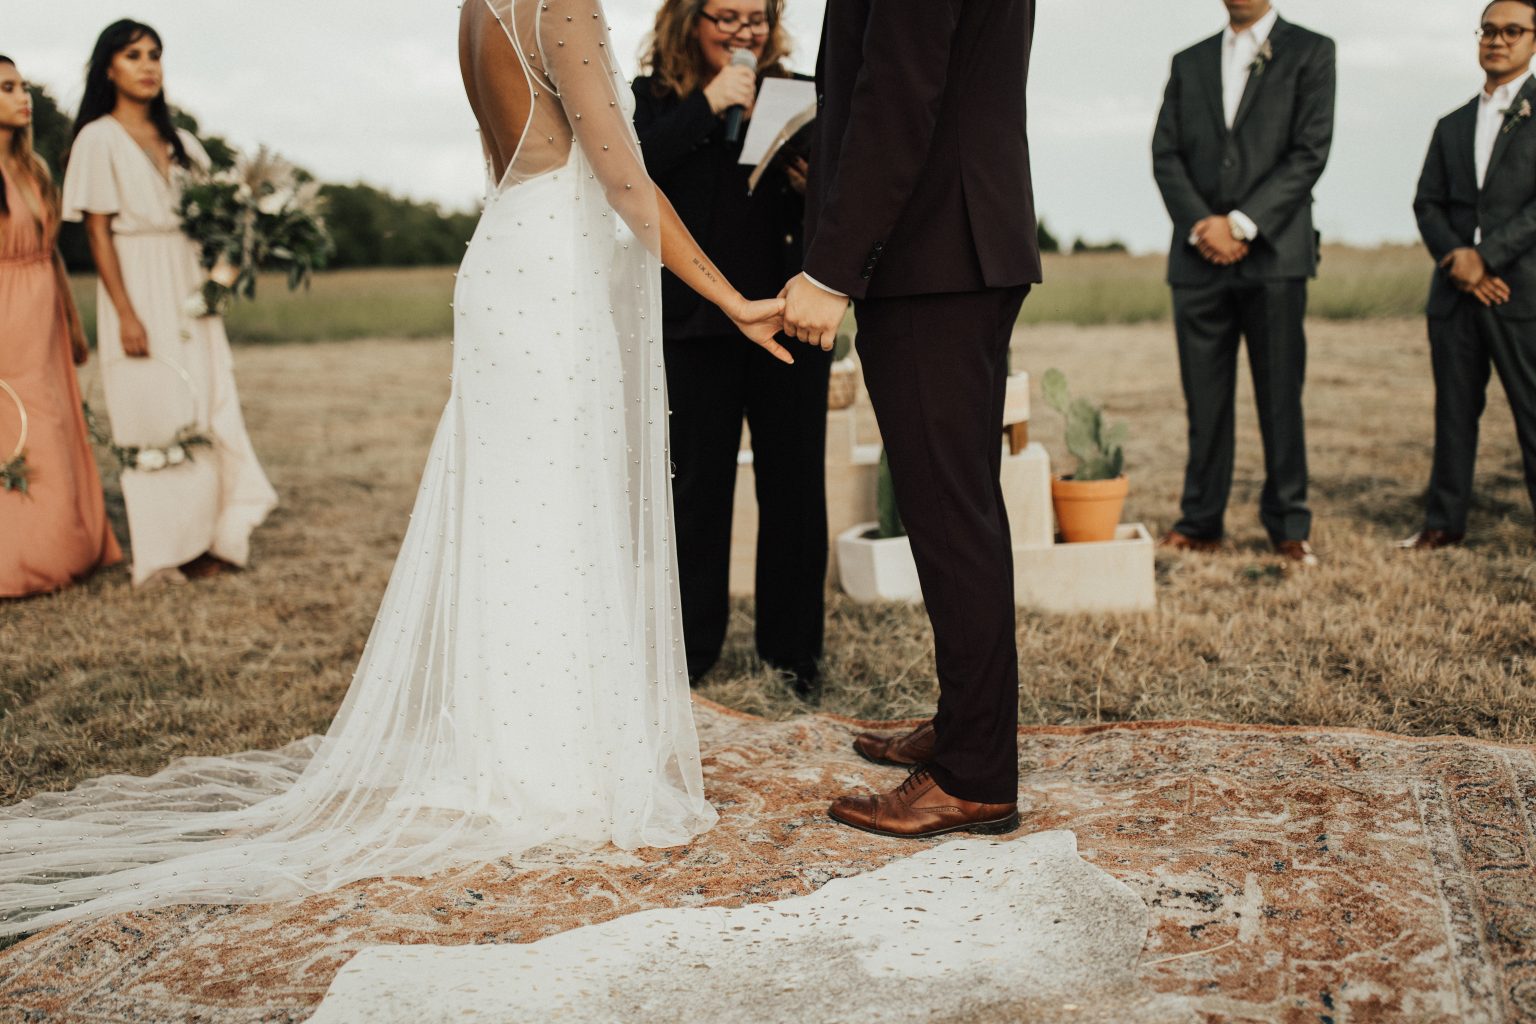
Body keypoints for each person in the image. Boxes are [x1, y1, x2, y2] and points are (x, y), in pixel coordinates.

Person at [0, 0, 788, 936]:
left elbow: (518, 161)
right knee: (556, 514)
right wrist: (734, 298)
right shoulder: (562, 4)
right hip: (550, 275)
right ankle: (555, 762)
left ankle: (519, 744)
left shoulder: (476, 9)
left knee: (519, 513)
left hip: (505, 250)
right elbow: (624, 183)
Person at [781, 1, 1039, 839]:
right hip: (949, 244)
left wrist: (830, 267)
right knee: (950, 506)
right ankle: (966, 728)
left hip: (936, 252)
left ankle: (973, 776)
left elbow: (898, 94)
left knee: (950, 512)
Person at [633, 0, 829, 698]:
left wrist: (812, 187)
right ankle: (690, 649)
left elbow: (839, 202)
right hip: (693, 323)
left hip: (788, 319)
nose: (745, 34)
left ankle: (793, 655)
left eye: (758, 20)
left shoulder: (803, 92)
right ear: (689, 19)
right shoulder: (651, 100)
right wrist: (706, 105)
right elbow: (629, 180)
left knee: (796, 488)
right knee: (697, 490)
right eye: (727, 18)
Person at [62, 20, 276, 588]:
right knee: (152, 409)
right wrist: (126, 313)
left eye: (155, 54)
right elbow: (99, 233)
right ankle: (161, 553)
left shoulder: (185, 145)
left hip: (189, 286)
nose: (148, 65)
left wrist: (222, 277)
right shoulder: (97, 139)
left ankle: (207, 540)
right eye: (133, 55)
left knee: (204, 404)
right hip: (135, 278)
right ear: (108, 67)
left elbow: (223, 225)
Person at [1151, 0, 1336, 566]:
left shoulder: (1312, 51)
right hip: (1196, 258)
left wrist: (1241, 224)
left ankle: (1287, 523)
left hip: (1274, 255)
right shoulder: (1189, 61)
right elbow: (1165, 154)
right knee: (1204, 400)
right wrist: (1203, 226)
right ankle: (1201, 519)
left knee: (1280, 394)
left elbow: (1309, 153)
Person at [1402, 0, 1536, 551]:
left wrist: (1490, 257)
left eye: (1512, 31)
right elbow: (1426, 203)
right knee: (1454, 412)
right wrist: (1461, 262)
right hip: (1455, 294)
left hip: (1521, 291)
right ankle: (1443, 523)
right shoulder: (1452, 123)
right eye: (1488, 30)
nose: (1497, 40)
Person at [0, 55, 122, 598]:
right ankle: (24, 556)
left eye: (22, 86)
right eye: (7, 88)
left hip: (42, 313)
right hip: (4, 317)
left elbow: (52, 258)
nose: (22, 97)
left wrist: (72, 323)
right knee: (21, 426)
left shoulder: (35, 170)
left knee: (57, 421)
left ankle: (69, 545)